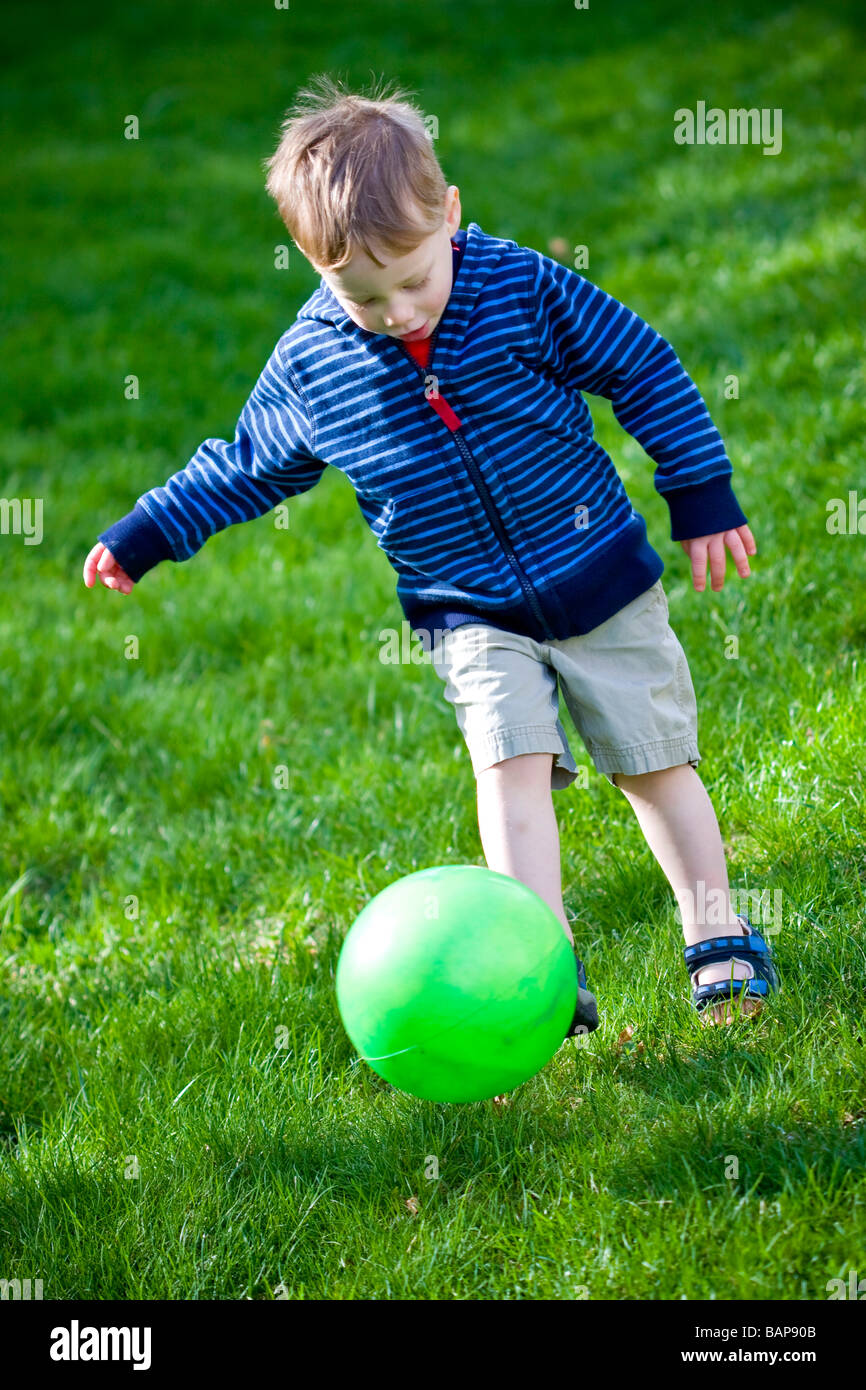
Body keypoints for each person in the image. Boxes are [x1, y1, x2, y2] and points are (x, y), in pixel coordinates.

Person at [83, 74, 780, 1035]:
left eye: (414, 278)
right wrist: (150, 532)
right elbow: (250, 465)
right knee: (511, 772)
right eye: (363, 295)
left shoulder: (522, 288)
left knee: (652, 761)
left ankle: (719, 936)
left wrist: (699, 497)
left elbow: (643, 365)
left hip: (602, 583)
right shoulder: (315, 363)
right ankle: (539, 969)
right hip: (467, 613)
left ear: (449, 214)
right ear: (311, 263)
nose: (400, 311)